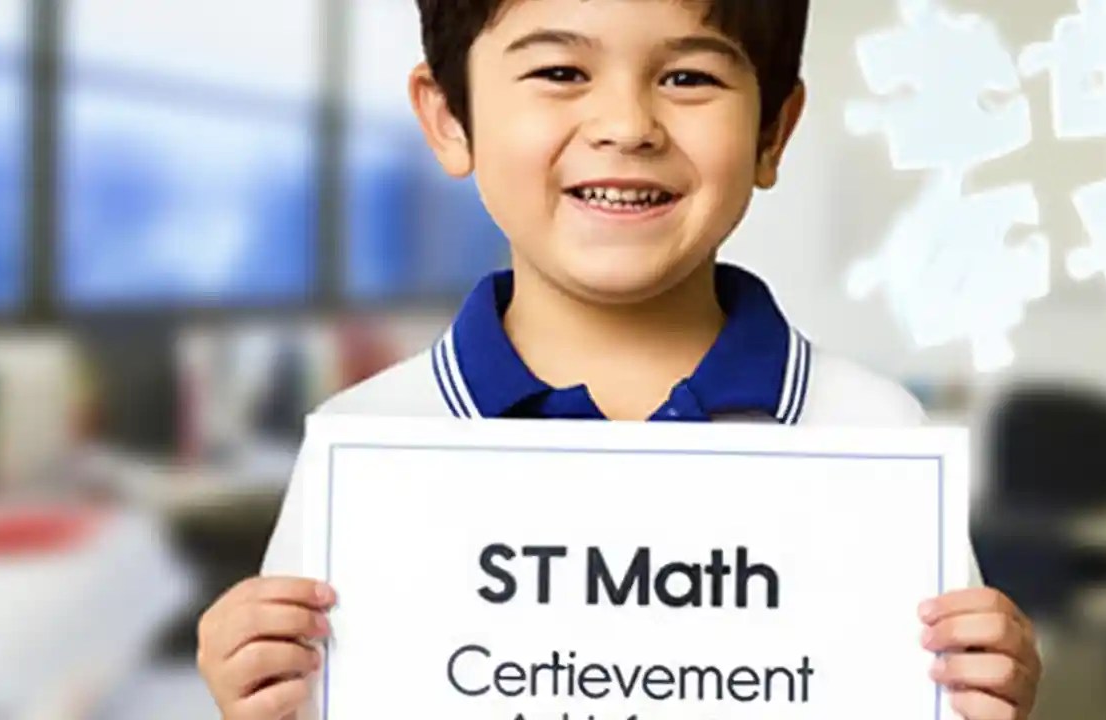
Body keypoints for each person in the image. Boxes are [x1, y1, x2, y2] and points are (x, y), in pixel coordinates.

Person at [196, 1, 1042, 718]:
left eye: (690, 78)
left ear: (773, 131)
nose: (627, 126)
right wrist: (261, 695)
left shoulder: (871, 436)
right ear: (450, 117)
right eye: (561, 72)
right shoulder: (368, 445)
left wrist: (981, 692)